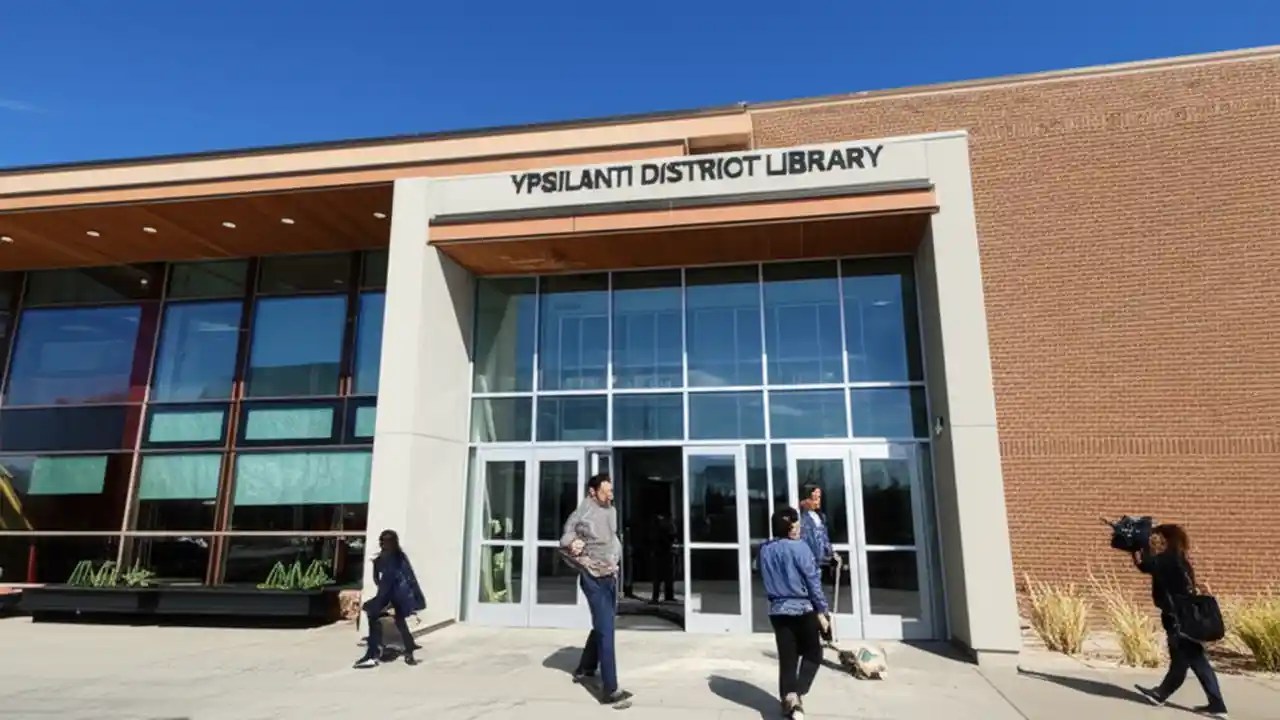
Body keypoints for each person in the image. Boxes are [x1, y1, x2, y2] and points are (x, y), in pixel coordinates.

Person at [1132, 524, 1228, 718]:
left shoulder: (1167, 560)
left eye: (1157, 536)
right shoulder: (1180, 560)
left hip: (1177, 619)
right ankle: (1162, 694)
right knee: (1184, 661)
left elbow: (1145, 565)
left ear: (1167, 539)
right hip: (1185, 617)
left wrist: (1138, 545)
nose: (1154, 539)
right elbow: (1147, 565)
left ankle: (1217, 705)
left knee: (1194, 660)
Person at [561, 473, 633, 707]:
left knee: (604, 624)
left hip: (610, 576)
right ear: (593, 492)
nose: (611, 494)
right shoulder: (583, 511)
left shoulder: (611, 510)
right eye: (606, 491)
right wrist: (573, 544)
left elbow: (610, 537)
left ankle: (585, 668)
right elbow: (566, 536)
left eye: (611, 491)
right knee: (606, 631)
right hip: (592, 578)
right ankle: (610, 689)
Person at [759, 507, 830, 719]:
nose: (799, 528)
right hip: (802, 608)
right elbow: (813, 583)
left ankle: (788, 699)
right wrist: (823, 611)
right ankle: (797, 694)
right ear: (789, 526)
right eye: (796, 524)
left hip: (777, 611)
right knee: (813, 653)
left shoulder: (764, 550)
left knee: (788, 658)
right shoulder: (800, 549)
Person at [353, 529, 426, 669]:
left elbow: (397, 582)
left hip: (398, 597)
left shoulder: (394, 559)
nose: (381, 544)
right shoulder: (390, 558)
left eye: (385, 541)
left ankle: (373, 653)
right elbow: (382, 581)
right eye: (381, 541)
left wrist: (384, 602)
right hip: (397, 597)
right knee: (395, 618)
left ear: (392, 543)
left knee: (375, 615)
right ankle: (407, 647)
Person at [649, 513, 676, 604]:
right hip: (663, 553)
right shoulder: (665, 527)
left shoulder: (657, 527)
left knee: (659, 577)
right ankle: (667, 596)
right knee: (665, 576)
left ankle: (657, 597)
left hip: (660, 553)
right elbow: (671, 538)